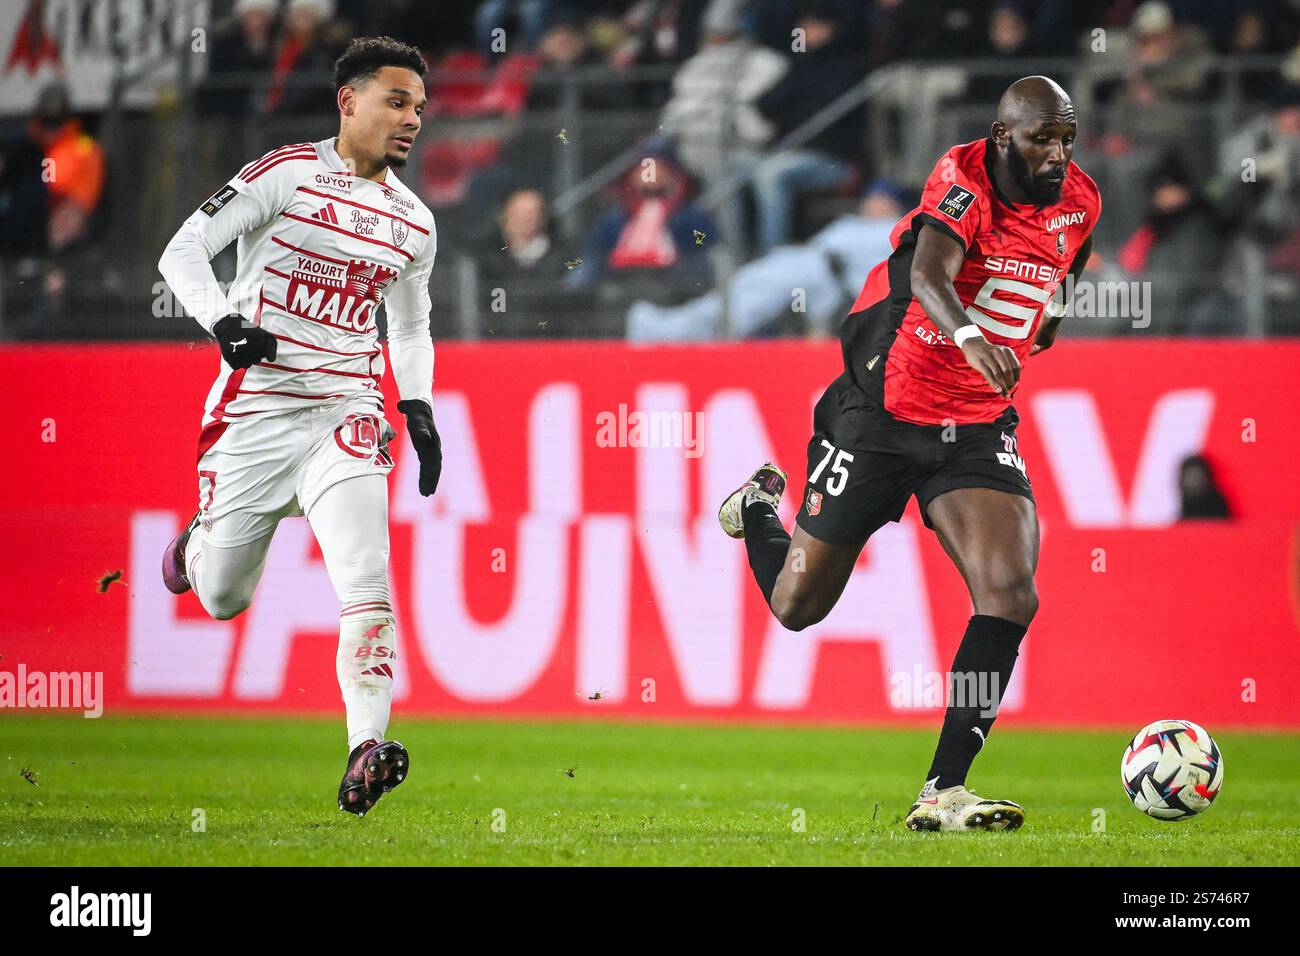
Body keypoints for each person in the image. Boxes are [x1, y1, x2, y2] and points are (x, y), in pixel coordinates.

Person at [717, 76, 1101, 832]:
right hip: (881, 414)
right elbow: (928, 273)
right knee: (796, 607)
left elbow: (1070, 268)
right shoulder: (963, 178)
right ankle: (760, 507)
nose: (1057, 155)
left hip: (978, 424)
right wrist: (972, 337)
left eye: (1067, 138)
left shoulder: (1082, 199)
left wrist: (1048, 316)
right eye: (1041, 139)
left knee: (1010, 592)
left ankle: (942, 789)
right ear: (1002, 136)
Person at [157, 36, 441, 818]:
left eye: (419, 107)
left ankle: (365, 746)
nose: (411, 119)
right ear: (347, 101)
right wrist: (223, 322)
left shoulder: (413, 221)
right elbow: (183, 251)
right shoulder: (284, 174)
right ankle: (197, 542)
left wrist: (414, 405)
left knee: (367, 580)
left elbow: (410, 328)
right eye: (396, 101)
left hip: (347, 414)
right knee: (221, 598)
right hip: (256, 412)